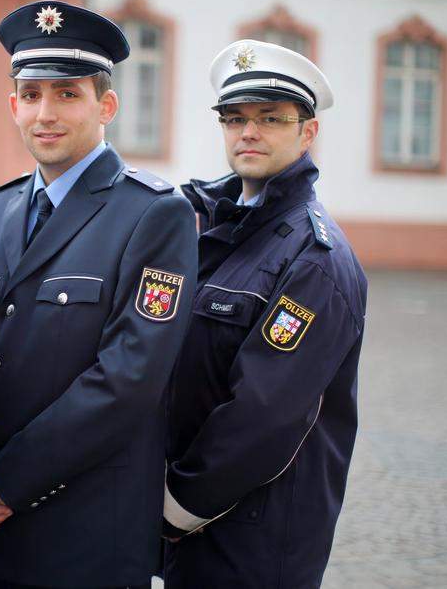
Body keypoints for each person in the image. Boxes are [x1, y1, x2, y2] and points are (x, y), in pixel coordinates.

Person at [0, 1, 197, 589]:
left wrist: (10, 482)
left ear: (106, 104)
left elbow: (128, 378)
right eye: (31, 94)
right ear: (13, 104)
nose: (45, 113)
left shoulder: (155, 214)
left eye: (67, 94)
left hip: (86, 536)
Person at [162, 39, 368, 588]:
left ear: (308, 132)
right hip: (198, 524)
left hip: (255, 532)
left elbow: (265, 413)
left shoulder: (315, 259)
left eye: (270, 118)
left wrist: (175, 508)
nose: (248, 132)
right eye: (234, 118)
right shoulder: (215, 227)